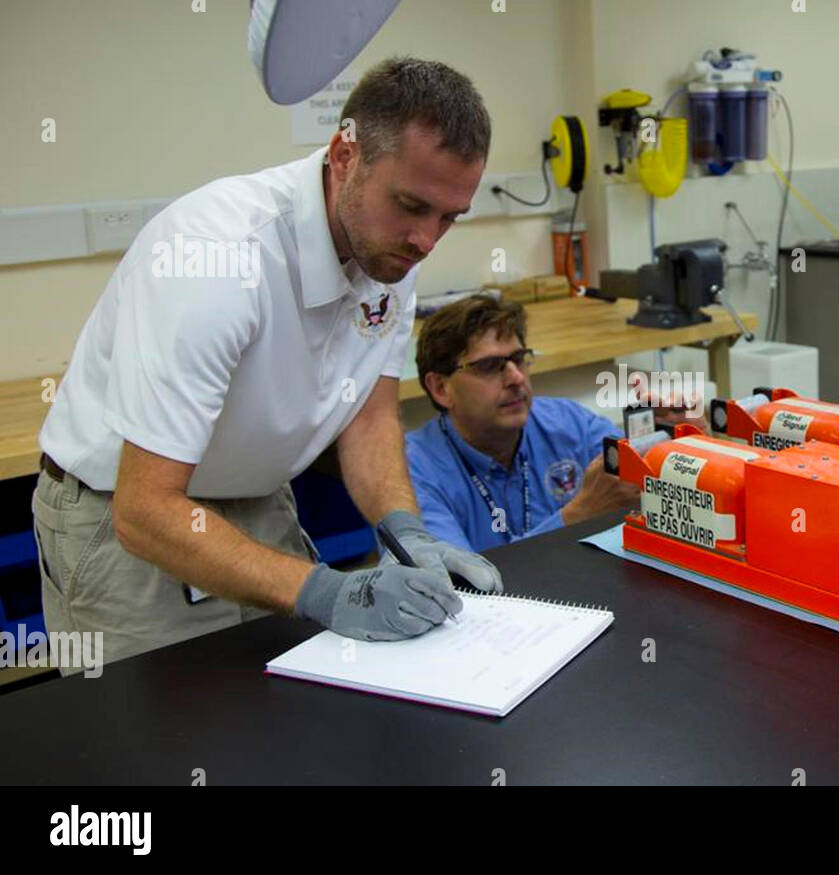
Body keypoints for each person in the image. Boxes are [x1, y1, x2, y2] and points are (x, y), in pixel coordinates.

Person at [32, 57, 502, 674]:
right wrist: (327, 591)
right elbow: (144, 511)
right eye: (412, 206)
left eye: (449, 217)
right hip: (129, 517)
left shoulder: (389, 252)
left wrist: (405, 532)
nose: (426, 240)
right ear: (344, 155)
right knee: (156, 747)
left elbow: (368, 417)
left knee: (290, 728)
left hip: (257, 498)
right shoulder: (216, 259)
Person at [407, 295, 656, 552]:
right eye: (490, 366)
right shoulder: (413, 471)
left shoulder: (568, 423)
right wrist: (576, 516)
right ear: (440, 388)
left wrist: (672, 442)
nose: (516, 378)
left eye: (518, 358)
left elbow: (644, 482)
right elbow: (454, 584)